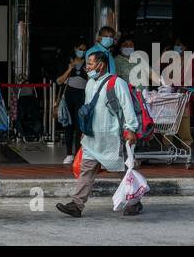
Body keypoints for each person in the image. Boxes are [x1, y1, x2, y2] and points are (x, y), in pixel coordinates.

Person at [56, 50, 143, 218]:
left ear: (100, 65)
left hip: (111, 137)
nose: (87, 67)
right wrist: (84, 132)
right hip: (92, 138)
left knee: (122, 171)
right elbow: (89, 109)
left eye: (90, 63)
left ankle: (134, 202)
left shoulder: (117, 83)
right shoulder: (90, 83)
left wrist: (130, 129)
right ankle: (76, 204)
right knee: (86, 171)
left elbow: (127, 107)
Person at [55, 40, 89, 164]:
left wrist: (88, 71)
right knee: (69, 125)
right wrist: (70, 68)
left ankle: (79, 154)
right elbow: (59, 81)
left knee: (80, 126)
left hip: (82, 96)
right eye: (80, 48)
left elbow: (93, 81)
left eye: (84, 49)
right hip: (69, 95)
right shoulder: (67, 61)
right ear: (75, 49)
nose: (82, 51)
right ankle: (69, 154)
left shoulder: (88, 63)